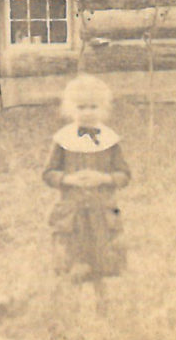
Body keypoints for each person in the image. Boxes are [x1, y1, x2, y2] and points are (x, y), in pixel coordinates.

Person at [43, 75, 131, 285]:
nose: (87, 112)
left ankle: (103, 298)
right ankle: (74, 296)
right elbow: (48, 173)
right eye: (81, 107)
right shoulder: (63, 139)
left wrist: (104, 178)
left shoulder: (110, 140)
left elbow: (124, 174)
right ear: (70, 109)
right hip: (73, 211)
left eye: (93, 107)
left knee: (103, 261)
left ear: (104, 109)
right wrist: (68, 179)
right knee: (73, 261)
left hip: (102, 211)